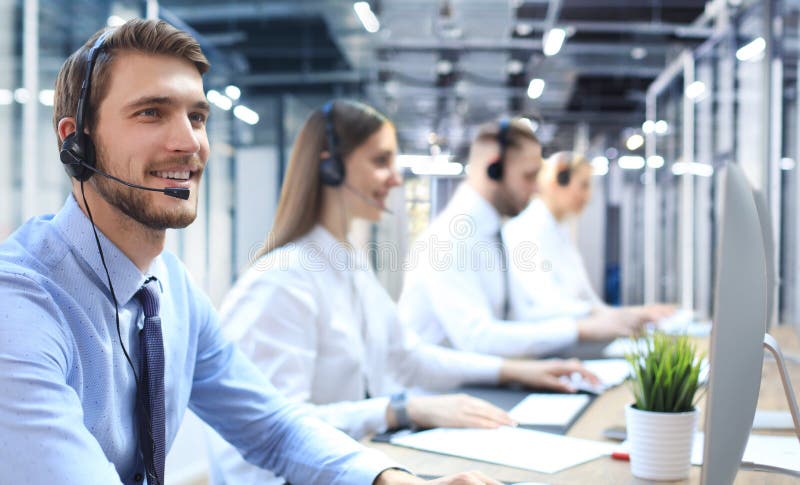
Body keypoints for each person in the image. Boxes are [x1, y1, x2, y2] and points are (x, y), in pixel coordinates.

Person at [0, 19, 501, 485]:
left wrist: (387, 479)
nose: (188, 142)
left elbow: (273, 425)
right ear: (76, 142)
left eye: (196, 117)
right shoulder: (19, 307)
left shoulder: (169, 288)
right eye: (151, 113)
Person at [210, 100, 597, 484]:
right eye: (381, 161)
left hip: (355, 466)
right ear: (330, 166)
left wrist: (519, 371)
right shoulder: (282, 281)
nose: (396, 178)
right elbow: (274, 431)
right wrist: (399, 409)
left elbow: (408, 356)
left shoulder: (349, 264)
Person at [399, 120, 649, 359]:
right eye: (529, 177)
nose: (537, 189)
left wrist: (599, 319)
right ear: (494, 169)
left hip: (471, 388)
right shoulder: (448, 238)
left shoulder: (493, 234)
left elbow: (522, 314)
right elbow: (476, 338)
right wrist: (580, 328)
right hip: (433, 396)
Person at [504, 151, 674, 323]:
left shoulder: (559, 232)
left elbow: (588, 300)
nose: (588, 196)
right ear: (558, 180)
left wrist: (634, 313)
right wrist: (627, 315)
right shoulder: (524, 232)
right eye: (583, 185)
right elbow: (548, 305)